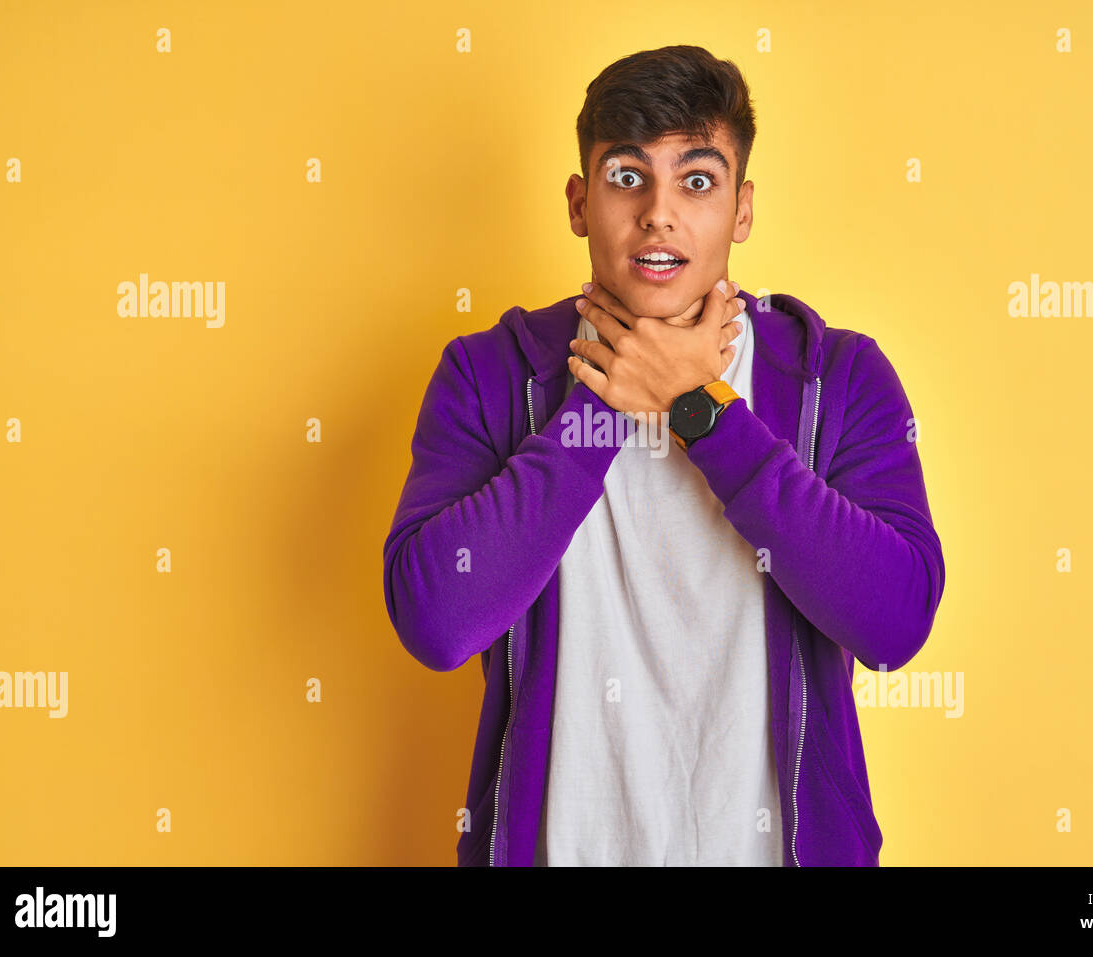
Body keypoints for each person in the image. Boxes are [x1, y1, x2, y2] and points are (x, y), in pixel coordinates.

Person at [383, 44, 945, 866]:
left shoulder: (836, 376)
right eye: (626, 177)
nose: (658, 214)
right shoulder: (489, 375)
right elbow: (435, 619)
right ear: (580, 202)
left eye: (698, 180)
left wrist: (704, 413)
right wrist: (603, 405)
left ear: (742, 209)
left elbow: (896, 621)